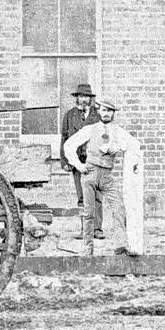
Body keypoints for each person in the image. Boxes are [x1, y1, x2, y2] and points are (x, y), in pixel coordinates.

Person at [63, 96, 138, 256]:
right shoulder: (90, 129)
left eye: (109, 111)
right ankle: (87, 249)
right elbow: (69, 145)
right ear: (99, 111)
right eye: (104, 110)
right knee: (89, 213)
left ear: (113, 114)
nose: (106, 114)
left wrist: (118, 147)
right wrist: (78, 165)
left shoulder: (118, 131)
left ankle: (121, 245)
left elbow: (134, 144)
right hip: (90, 173)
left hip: (107, 176)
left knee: (118, 208)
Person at [61, 83, 102, 239]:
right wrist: (65, 161)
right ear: (76, 98)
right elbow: (64, 139)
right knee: (82, 197)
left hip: (94, 162)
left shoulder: (98, 116)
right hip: (77, 162)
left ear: (90, 99)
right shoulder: (69, 116)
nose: (83, 100)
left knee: (96, 194)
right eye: (81, 96)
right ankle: (85, 229)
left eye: (86, 97)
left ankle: (97, 229)